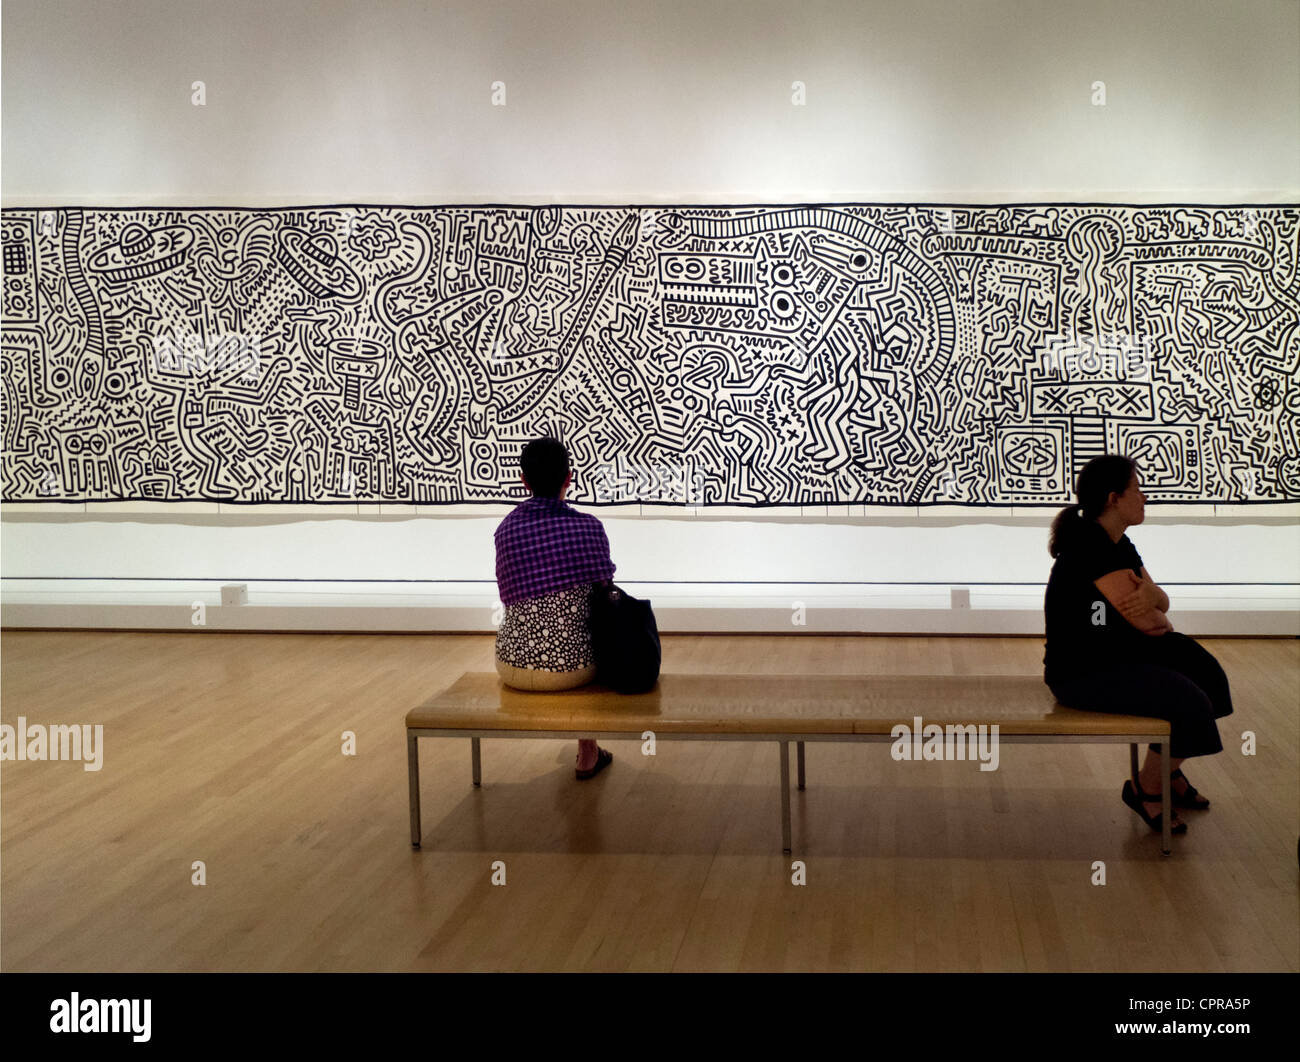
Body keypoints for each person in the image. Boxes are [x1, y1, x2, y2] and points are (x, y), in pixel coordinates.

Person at [1043, 453, 1233, 836]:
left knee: (1208, 673)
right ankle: (1145, 788)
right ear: (1114, 498)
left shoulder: (1119, 543)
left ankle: (1170, 771)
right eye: (1138, 489)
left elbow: (1158, 605)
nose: (1144, 497)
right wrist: (1156, 606)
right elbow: (1150, 618)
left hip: (1121, 651)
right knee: (1190, 701)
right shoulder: (1090, 547)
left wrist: (1156, 601)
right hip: (1085, 670)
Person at [494, 436, 616, 779]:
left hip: (512, 664)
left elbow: (507, 596)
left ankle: (588, 750)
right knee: (586, 632)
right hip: (575, 668)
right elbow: (605, 593)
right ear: (569, 477)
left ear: (524, 481)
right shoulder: (588, 527)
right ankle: (588, 751)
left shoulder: (506, 530)